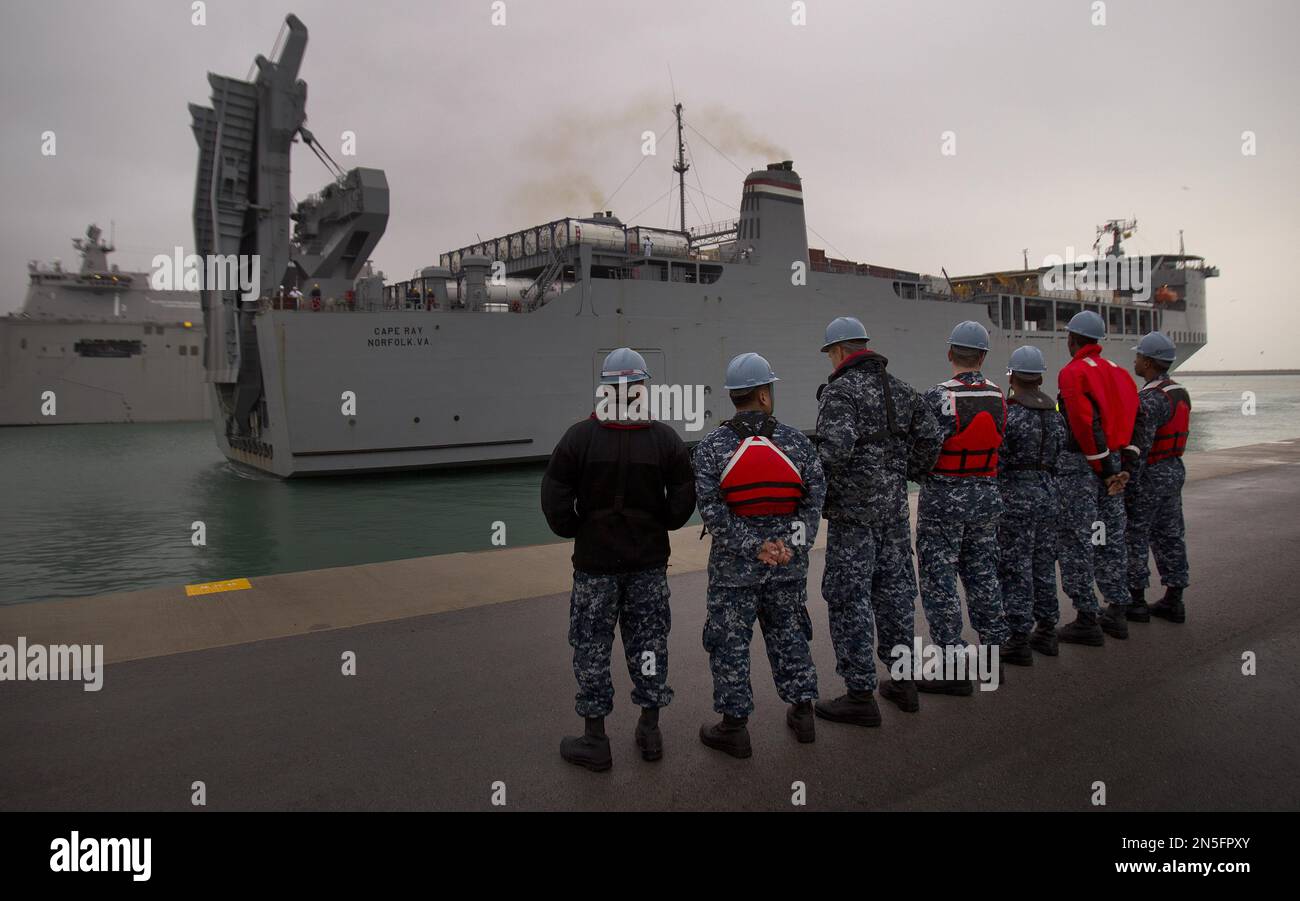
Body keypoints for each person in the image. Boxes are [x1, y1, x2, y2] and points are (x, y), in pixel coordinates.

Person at [540, 348, 696, 771]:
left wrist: (578, 528)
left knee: (591, 648)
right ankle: (649, 731)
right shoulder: (666, 440)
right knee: (649, 645)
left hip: (595, 565)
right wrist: (657, 522)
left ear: (606, 388)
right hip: (647, 563)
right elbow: (683, 502)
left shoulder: (578, 438)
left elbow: (554, 499)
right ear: (643, 387)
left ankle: (595, 739)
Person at [694, 353, 826, 757]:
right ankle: (803, 714)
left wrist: (754, 546)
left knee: (730, 641)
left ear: (734, 396)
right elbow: (815, 498)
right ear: (765, 395)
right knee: (789, 633)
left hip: (735, 570)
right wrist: (790, 544)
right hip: (788, 566)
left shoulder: (711, 447)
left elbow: (712, 510)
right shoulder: (797, 442)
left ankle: (735, 729)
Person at [815, 316, 943, 719]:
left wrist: (817, 492)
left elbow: (833, 453)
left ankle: (859, 695)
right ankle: (903, 684)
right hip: (893, 513)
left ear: (837, 352)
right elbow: (933, 437)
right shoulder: (903, 390)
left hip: (853, 519)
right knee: (895, 595)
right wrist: (909, 471)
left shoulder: (840, 392)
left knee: (849, 599)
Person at [916, 321, 1010, 693]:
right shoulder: (999, 395)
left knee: (940, 581)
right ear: (983, 356)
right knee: (983, 573)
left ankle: (953, 667)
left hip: (944, 500)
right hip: (986, 497)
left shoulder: (938, 397)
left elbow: (922, 451)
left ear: (950, 353)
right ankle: (993, 657)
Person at [1054, 310, 1140, 646]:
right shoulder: (1120, 372)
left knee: (1076, 539)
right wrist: (1121, 468)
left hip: (1082, 469)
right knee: (1111, 537)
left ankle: (1087, 618)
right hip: (1115, 465)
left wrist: (1101, 468)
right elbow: (1135, 418)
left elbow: (1082, 422)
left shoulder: (1072, 373)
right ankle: (1117, 610)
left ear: (1072, 339)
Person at [996, 345, 1066, 661]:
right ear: (1039, 377)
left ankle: (1019, 637)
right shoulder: (1055, 417)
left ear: (1012, 376)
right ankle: (1048, 631)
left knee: (1015, 567)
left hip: (1016, 498)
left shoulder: (1010, 415)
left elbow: (999, 461)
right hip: (1049, 495)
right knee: (1043, 564)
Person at [1123, 331, 1191, 624]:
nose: (1135, 360)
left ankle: (1136, 600)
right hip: (1174, 469)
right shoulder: (1179, 392)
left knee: (1136, 535)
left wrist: (1128, 481)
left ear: (1149, 362)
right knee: (1171, 534)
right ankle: (1174, 598)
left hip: (1150, 474)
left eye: (1138, 356)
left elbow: (1141, 445)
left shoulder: (1150, 400)